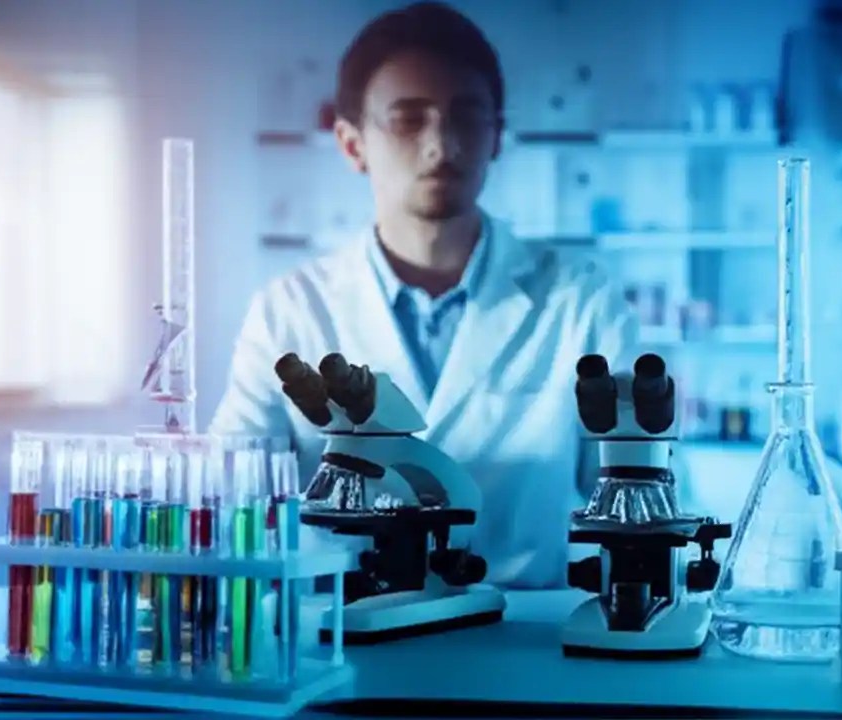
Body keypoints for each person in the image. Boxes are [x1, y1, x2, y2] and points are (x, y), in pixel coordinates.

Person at [209, 1, 636, 589]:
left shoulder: (580, 300)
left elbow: (636, 496)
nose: (442, 145)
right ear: (351, 143)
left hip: (519, 654)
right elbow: (232, 497)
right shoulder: (288, 312)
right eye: (409, 119)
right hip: (342, 651)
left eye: (467, 116)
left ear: (497, 136)